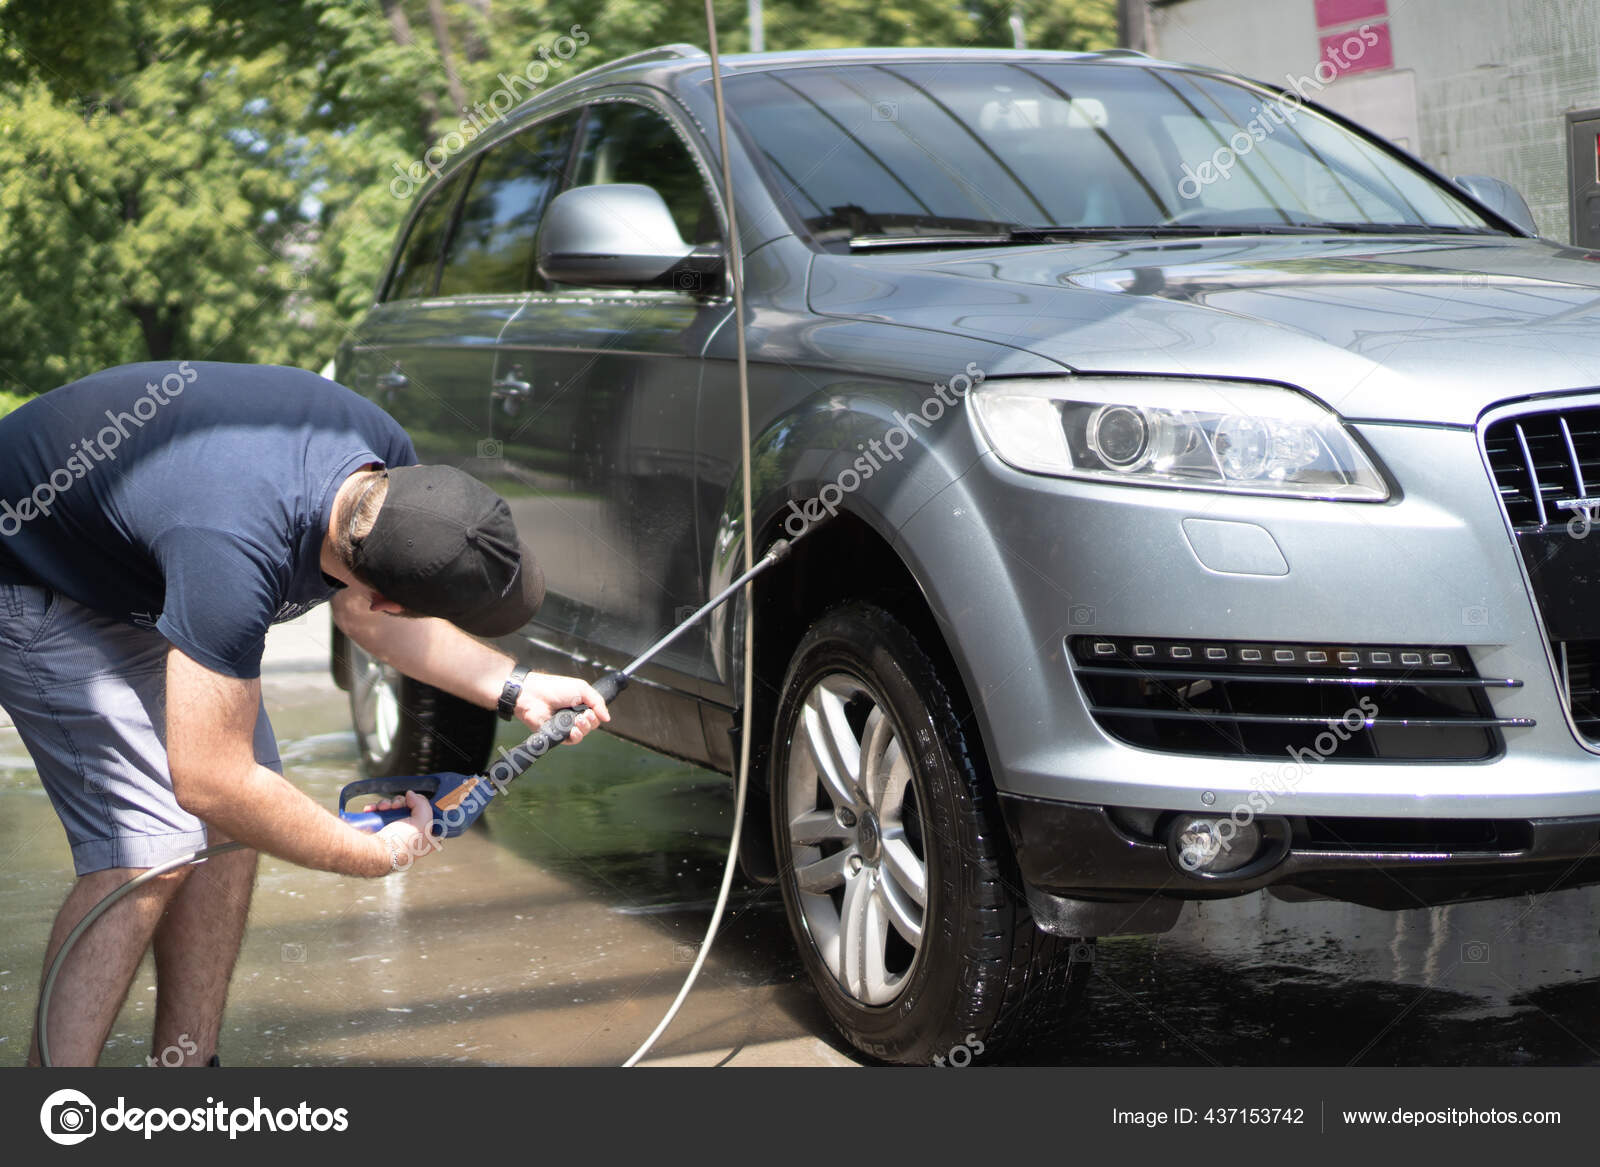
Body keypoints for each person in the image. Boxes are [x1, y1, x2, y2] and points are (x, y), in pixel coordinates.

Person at [0, 360, 610, 1066]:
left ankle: (187, 1067)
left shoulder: (391, 479)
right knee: (151, 843)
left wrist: (516, 685)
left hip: (146, 550)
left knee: (245, 809)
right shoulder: (232, 550)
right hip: (28, 560)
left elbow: (368, 619)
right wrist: (369, 853)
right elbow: (208, 777)